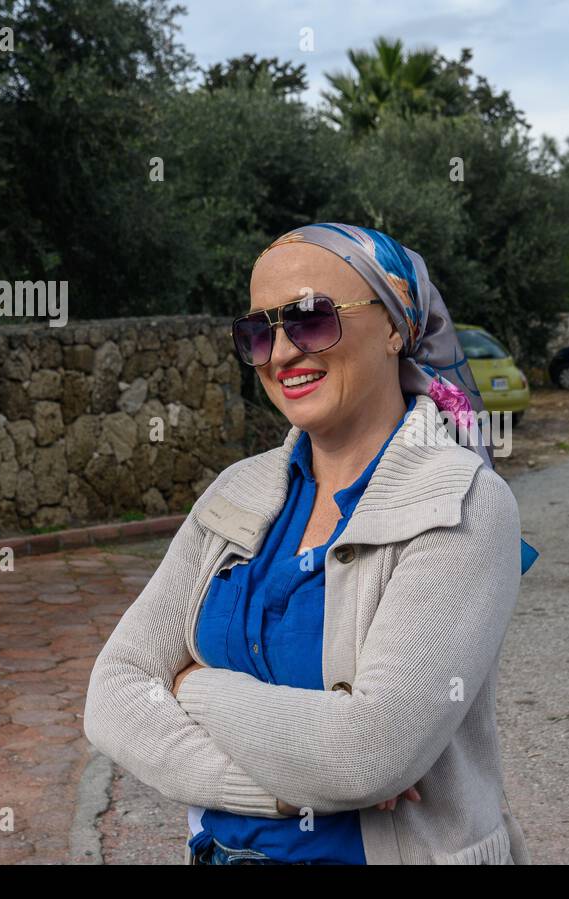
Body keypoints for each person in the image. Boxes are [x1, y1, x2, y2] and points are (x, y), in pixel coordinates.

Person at [83, 222, 537, 864]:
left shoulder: (462, 502)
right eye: (257, 333)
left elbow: (367, 755)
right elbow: (111, 697)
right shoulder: (234, 495)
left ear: (393, 327)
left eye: (310, 320)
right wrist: (289, 793)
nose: (281, 353)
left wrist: (190, 686)